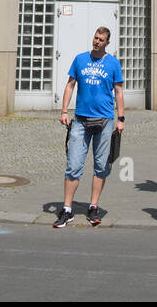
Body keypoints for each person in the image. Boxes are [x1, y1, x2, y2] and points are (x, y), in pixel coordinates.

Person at [53, 26, 124, 228]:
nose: (96, 42)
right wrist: (64, 110)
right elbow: (70, 84)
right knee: (73, 165)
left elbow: (118, 91)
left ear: (107, 43)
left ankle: (93, 206)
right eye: (95, 38)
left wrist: (121, 118)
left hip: (105, 120)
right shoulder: (80, 59)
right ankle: (67, 209)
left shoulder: (113, 63)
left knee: (102, 166)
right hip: (81, 120)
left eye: (101, 39)